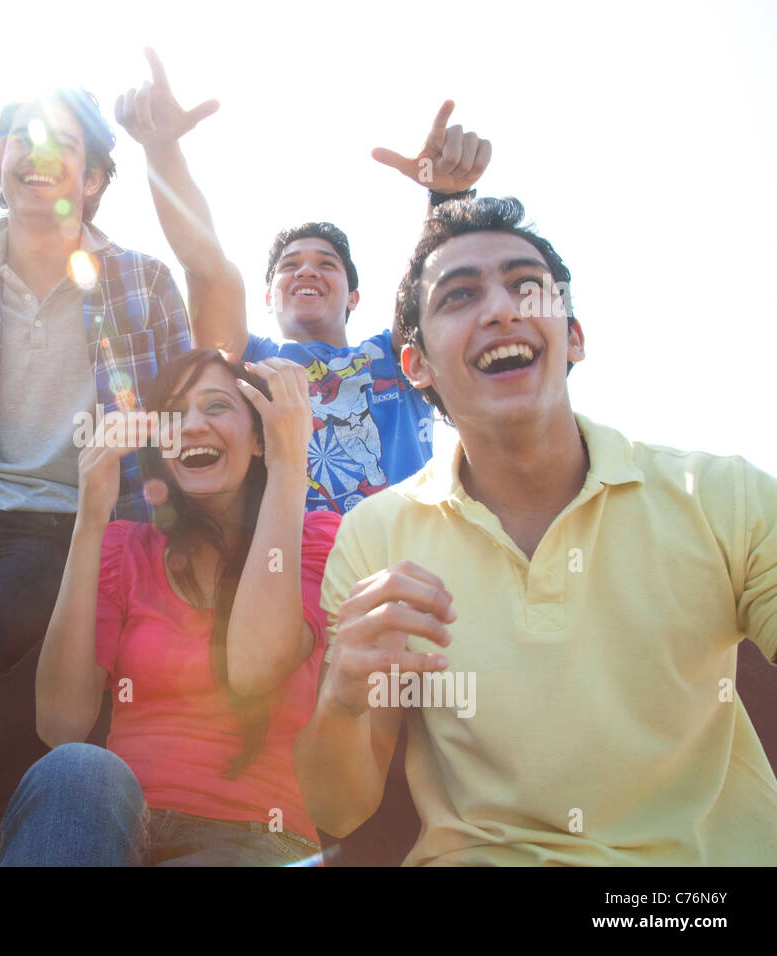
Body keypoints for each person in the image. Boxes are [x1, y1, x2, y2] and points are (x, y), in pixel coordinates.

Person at [295, 196, 777, 865]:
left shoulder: (726, 495)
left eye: (527, 286)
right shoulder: (374, 536)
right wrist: (344, 700)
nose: (502, 309)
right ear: (417, 366)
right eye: (459, 295)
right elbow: (339, 811)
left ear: (574, 334)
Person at [0, 88, 191, 799]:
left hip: (61, 527)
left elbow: (184, 418)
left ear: (92, 180)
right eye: (22, 138)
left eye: (64, 144)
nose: (39, 155)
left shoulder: (143, 282)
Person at [0, 350, 341, 865]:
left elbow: (252, 667)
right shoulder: (122, 546)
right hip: (120, 835)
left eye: (217, 406)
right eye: (174, 413)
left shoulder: (317, 540)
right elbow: (61, 724)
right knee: (76, 768)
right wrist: (90, 518)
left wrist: (291, 462)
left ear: (258, 439)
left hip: (260, 843)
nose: (192, 425)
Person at [115, 49, 491, 512]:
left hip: (403, 566)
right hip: (284, 571)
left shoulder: (396, 358)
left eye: (326, 264)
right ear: (269, 298)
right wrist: (162, 149)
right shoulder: (246, 366)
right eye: (289, 266)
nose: (307, 270)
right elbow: (206, 266)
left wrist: (448, 197)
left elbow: (431, 288)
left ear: (353, 296)